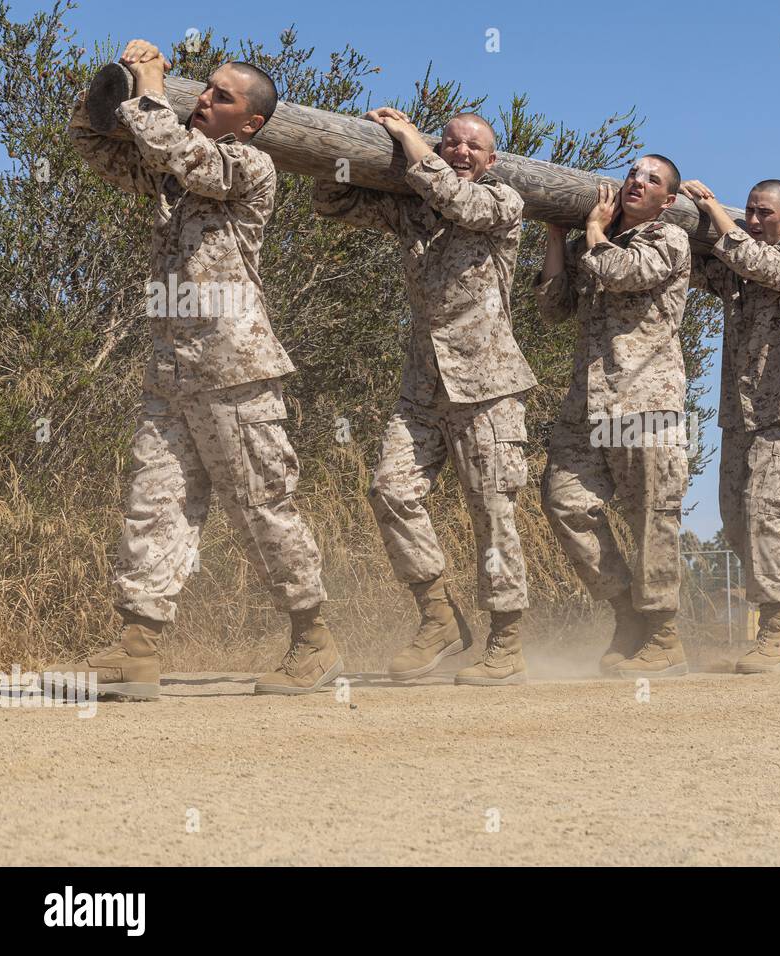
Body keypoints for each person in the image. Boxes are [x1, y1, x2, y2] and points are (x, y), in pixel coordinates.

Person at [63, 40, 340, 697]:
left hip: (233, 365)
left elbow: (176, 152)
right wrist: (112, 89)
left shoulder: (248, 166)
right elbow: (99, 149)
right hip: (172, 370)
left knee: (260, 506)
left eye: (220, 95)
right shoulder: (173, 168)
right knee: (155, 504)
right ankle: (138, 646)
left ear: (249, 123)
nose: (203, 99)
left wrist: (155, 84)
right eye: (203, 88)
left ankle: (313, 638)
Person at [313, 108, 535, 686]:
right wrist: (347, 148)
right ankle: (438, 616)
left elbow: (460, 202)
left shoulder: (503, 204)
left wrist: (413, 142)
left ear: (491, 161)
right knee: (390, 490)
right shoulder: (415, 209)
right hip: (422, 388)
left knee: (492, 511)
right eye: (451, 142)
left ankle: (506, 642)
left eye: (473, 147)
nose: (461, 151)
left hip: (488, 388)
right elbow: (332, 203)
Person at [536, 157, 692, 678]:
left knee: (652, 513)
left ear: (666, 201)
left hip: (644, 400)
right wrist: (560, 238)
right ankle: (627, 612)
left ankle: (663, 634)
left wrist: (594, 232)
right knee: (564, 499)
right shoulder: (593, 243)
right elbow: (553, 308)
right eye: (633, 173)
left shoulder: (667, 239)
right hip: (587, 403)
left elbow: (625, 274)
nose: (637, 182)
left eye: (652, 179)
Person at [682, 178, 780, 672]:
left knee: (768, 517)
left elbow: (754, 261)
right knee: (736, 521)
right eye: (747, 210)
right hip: (739, 413)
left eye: (764, 212)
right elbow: (701, 270)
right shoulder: (738, 271)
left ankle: (772, 629)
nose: (753, 219)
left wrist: (711, 207)